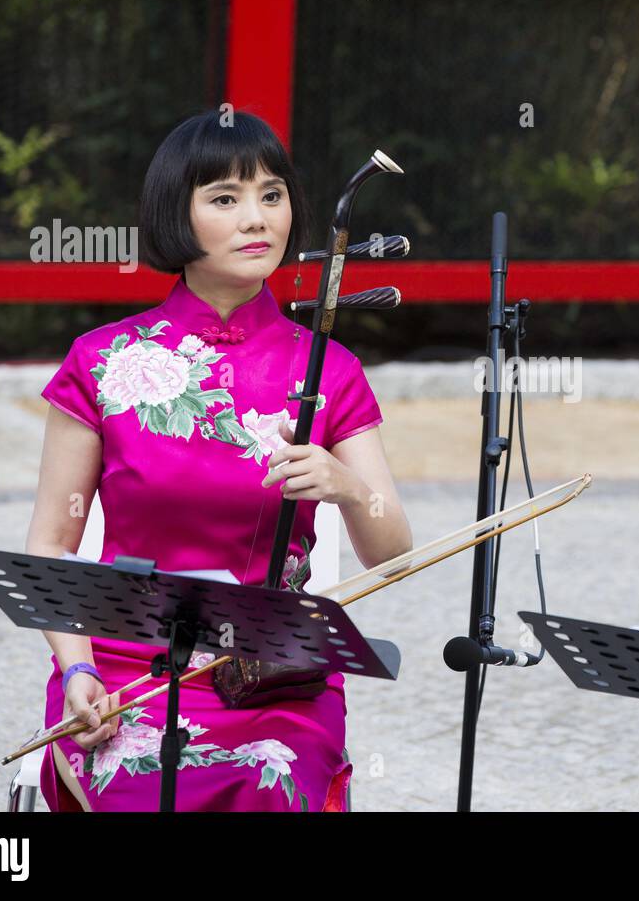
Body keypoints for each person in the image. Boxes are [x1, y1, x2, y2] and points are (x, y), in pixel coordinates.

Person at [24, 110, 412, 811]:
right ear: (177, 214)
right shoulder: (103, 362)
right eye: (225, 199)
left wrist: (348, 486)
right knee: (141, 790)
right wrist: (75, 670)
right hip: (122, 667)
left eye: (272, 194)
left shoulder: (328, 367)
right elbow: (53, 544)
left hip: (273, 678)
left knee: (268, 781)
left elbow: (392, 550)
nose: (256, 218)